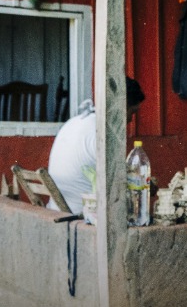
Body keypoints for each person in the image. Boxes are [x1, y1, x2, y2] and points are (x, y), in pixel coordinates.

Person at [46, 78, 145, 214]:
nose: (130, 119)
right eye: (132, 112)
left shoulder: (76, 121)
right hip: (82, 216)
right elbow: (119, 186)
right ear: (121, 106)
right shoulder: (103, 132)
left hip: (56, 209)